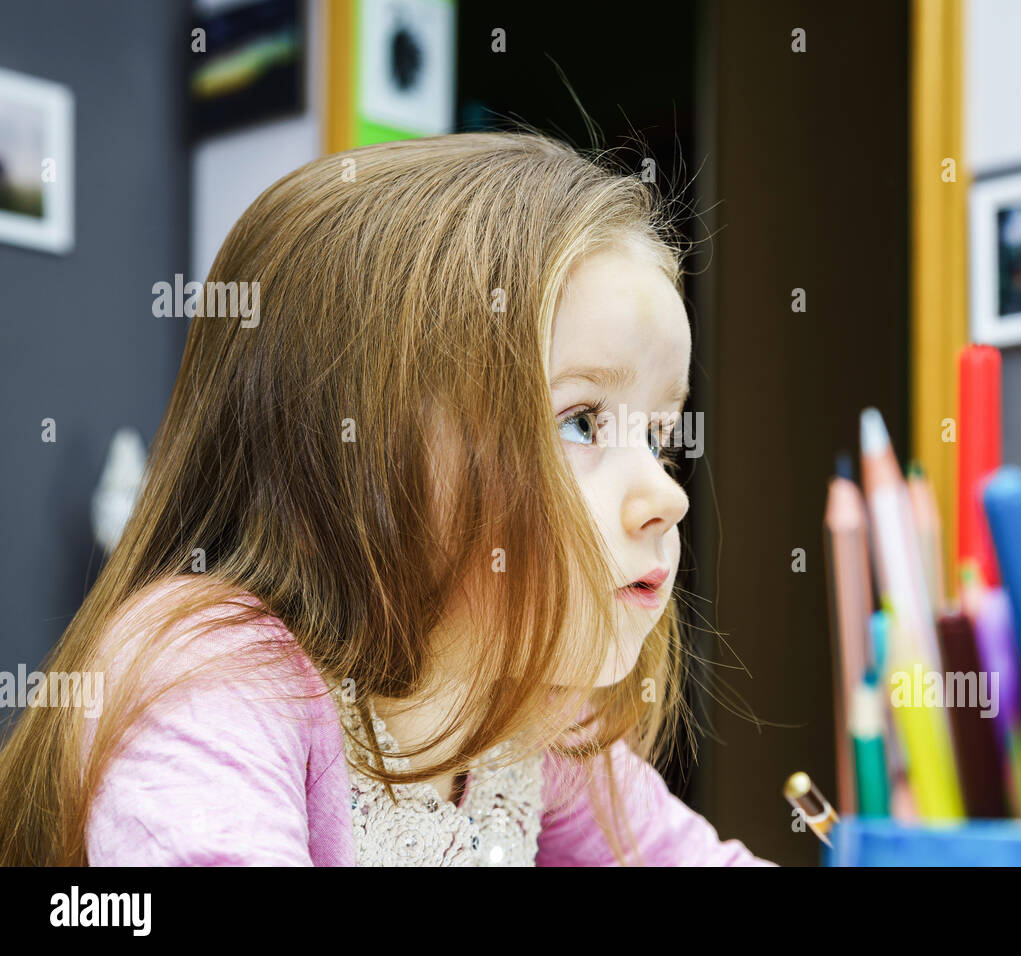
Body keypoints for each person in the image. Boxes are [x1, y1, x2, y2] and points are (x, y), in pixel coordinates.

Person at [0, 131, 774, 867]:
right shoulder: (214, 673)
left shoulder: (528, 699)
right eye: (580, 421)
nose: (667, 495)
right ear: (362, 446)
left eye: (660, 438)